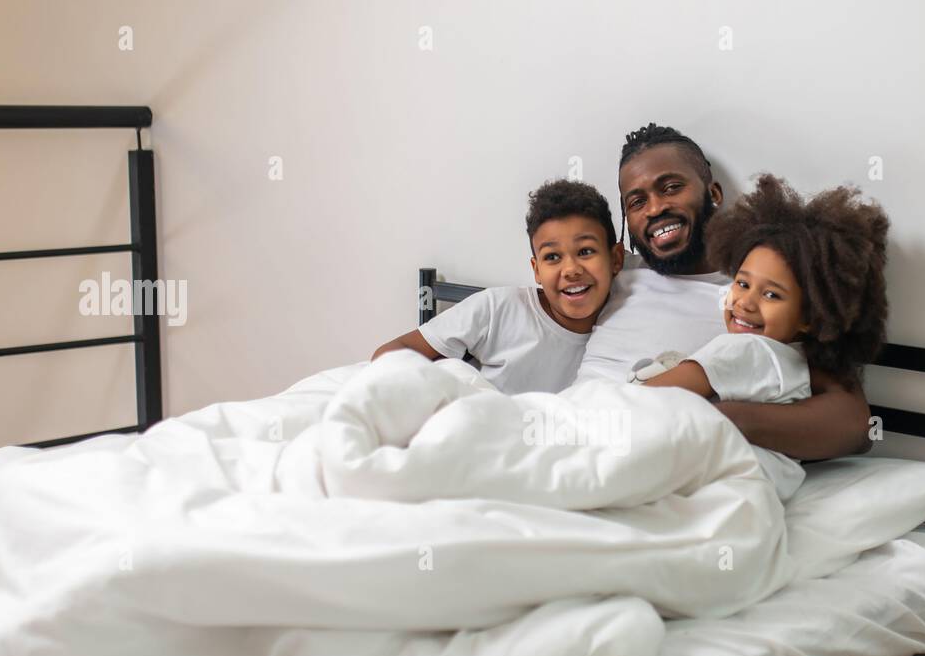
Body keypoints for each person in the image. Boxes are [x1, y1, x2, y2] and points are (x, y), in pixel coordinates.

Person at [577, 123, 874, 459]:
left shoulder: (756, 301)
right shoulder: (613, 273)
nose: (655, 208)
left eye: (671, 187)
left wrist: (717, 420)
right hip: (566, 431)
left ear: (713, 194)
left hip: (641, 449)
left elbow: (852, 424)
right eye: (636, 202)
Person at [632, 174, 889, 501]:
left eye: (771, 294)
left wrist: (726, 419)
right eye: (741, 284)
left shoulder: (747, 351)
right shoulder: (784, 366)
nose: (745, 302)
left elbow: (639, 404)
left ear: (811, 318)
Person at [372, 179, 623, 394]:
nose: (571, 270)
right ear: (536, 270)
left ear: (616, 259)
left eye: (586, 251)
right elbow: (391, 354)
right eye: (552, 257)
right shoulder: (498, 309)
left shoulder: (628, 330)